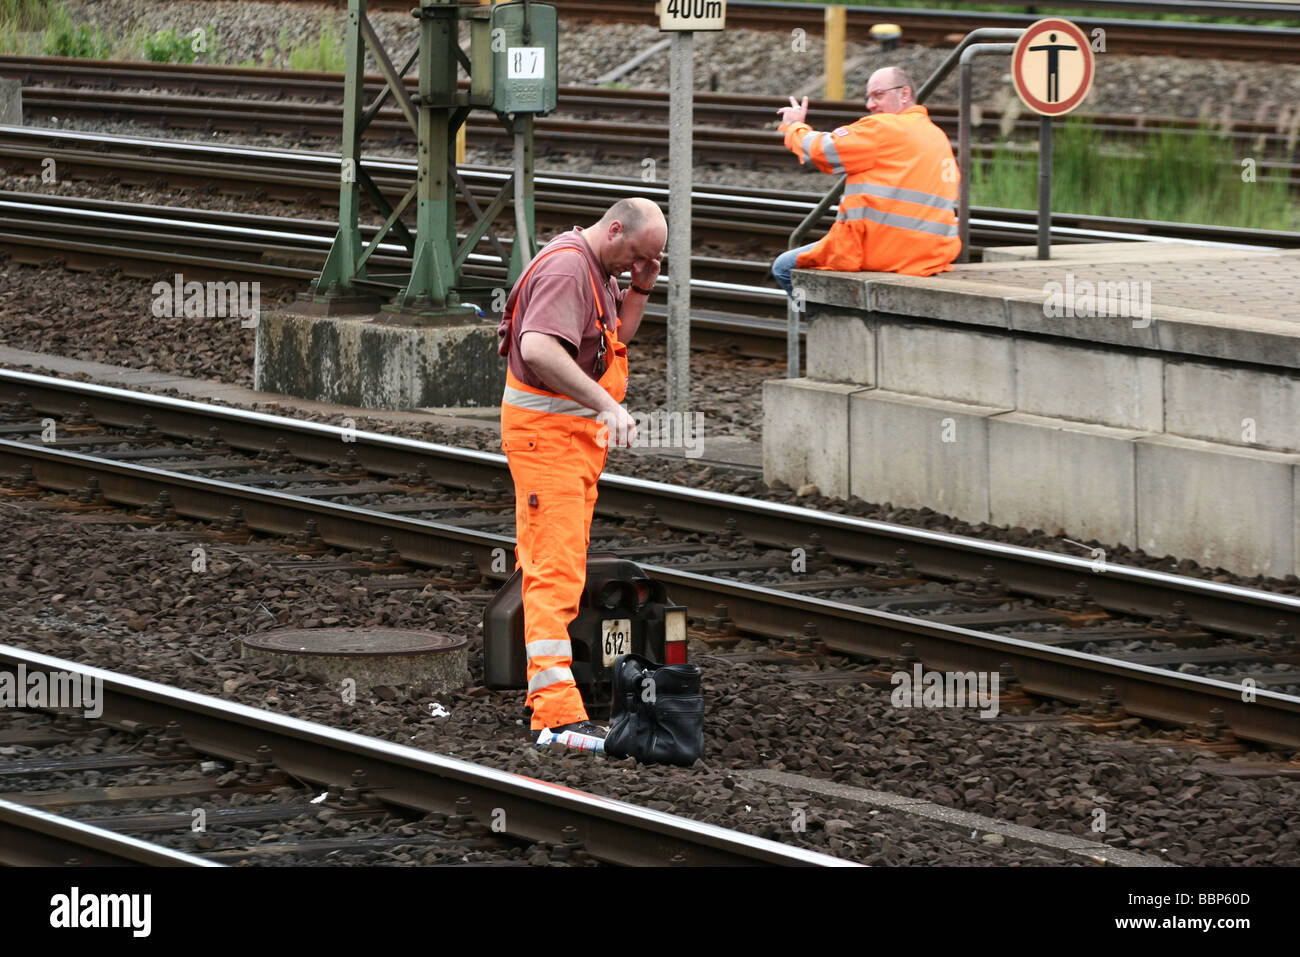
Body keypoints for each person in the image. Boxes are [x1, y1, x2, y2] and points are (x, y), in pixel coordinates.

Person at [496, 198, 666, 752]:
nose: (630, 267)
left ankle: (555, 701)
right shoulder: (569, 268)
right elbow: (538, 348)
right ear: (613, 229)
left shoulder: (595, 268)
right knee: (554, 572)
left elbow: (615, 335)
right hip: (546, 442)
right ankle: (555, 716)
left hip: (569, 446)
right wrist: (608, 406)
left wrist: (640, 287)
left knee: (557, 563)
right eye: (634, 256)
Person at [772, 67, 960, 295]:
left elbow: (822, 150)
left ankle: (831, 325)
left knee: (783, 267)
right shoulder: (937, 136)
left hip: (886, 251)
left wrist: (794, 127)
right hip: (933, 255)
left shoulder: (884, 128)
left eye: (878, 95)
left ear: (904, 94)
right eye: (868, 97)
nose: (870, 105)